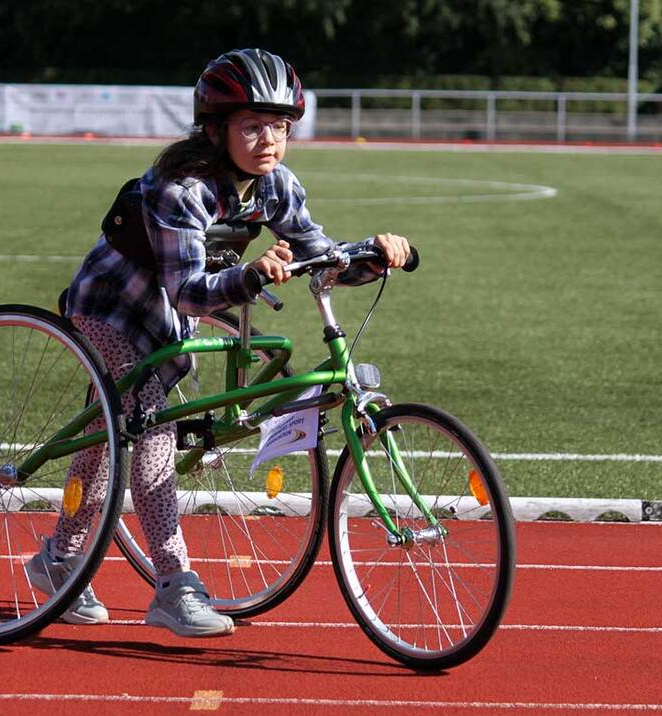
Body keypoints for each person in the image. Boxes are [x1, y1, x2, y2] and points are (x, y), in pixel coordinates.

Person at [26, 48, 411, 638]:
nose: (269, 140)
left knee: (107, 437)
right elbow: (189, 293)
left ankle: (59, 560)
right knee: (149, 423)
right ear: (215, 129)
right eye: (252, 126)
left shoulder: (275, 185)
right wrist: (253, 275)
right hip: (111, 307)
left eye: (280, 127)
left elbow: (316, 251)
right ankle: (173, 586)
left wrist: (372, 256)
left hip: (169, 318)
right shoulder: (181, 188)